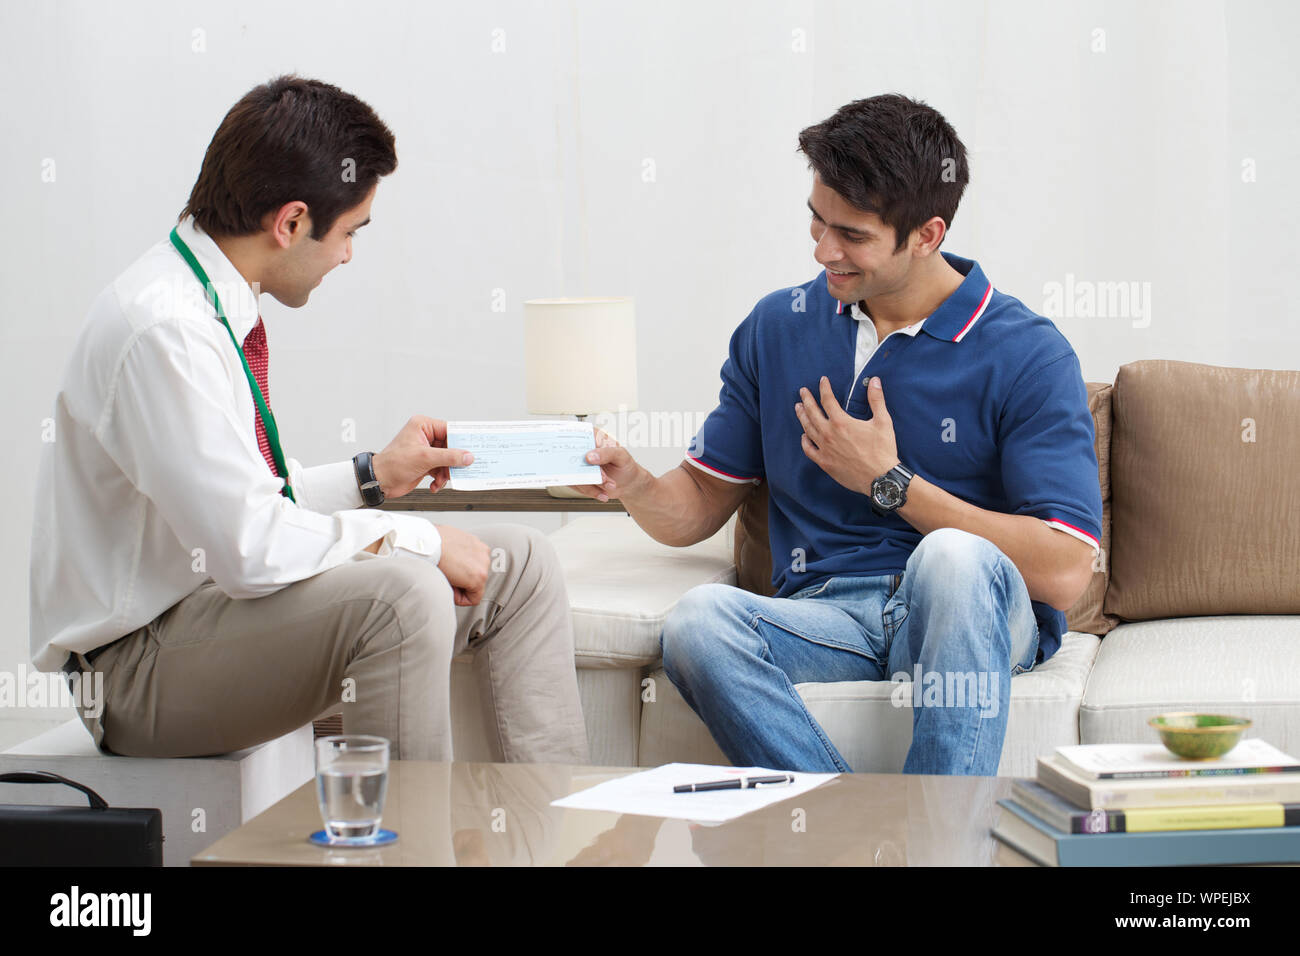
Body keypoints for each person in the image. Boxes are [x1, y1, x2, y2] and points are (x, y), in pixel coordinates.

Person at [29, 75, 589, 764]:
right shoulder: (164, 330)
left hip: (210, 615)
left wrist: (374, 477)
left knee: (521, 565)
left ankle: (555, 831)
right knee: (402, 595)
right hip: (135, 670)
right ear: (291, 222)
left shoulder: (210, 299)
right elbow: (249, 549)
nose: (349, 254)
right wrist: (415, 537)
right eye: (350, 231)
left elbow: (251, 507)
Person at [573, 94, 1102, 775]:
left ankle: (939, 839)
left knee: (950, 559)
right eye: (817, 223)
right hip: (827, 618)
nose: (825, 251)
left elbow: (1063, 572)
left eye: (851, 236)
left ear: (927, 234)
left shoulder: (1027, 351)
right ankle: (846, 829)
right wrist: (634, 483)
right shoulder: (779, 326)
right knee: (697, 624)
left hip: (966, 614)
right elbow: (697, 505)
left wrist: (891, 484)